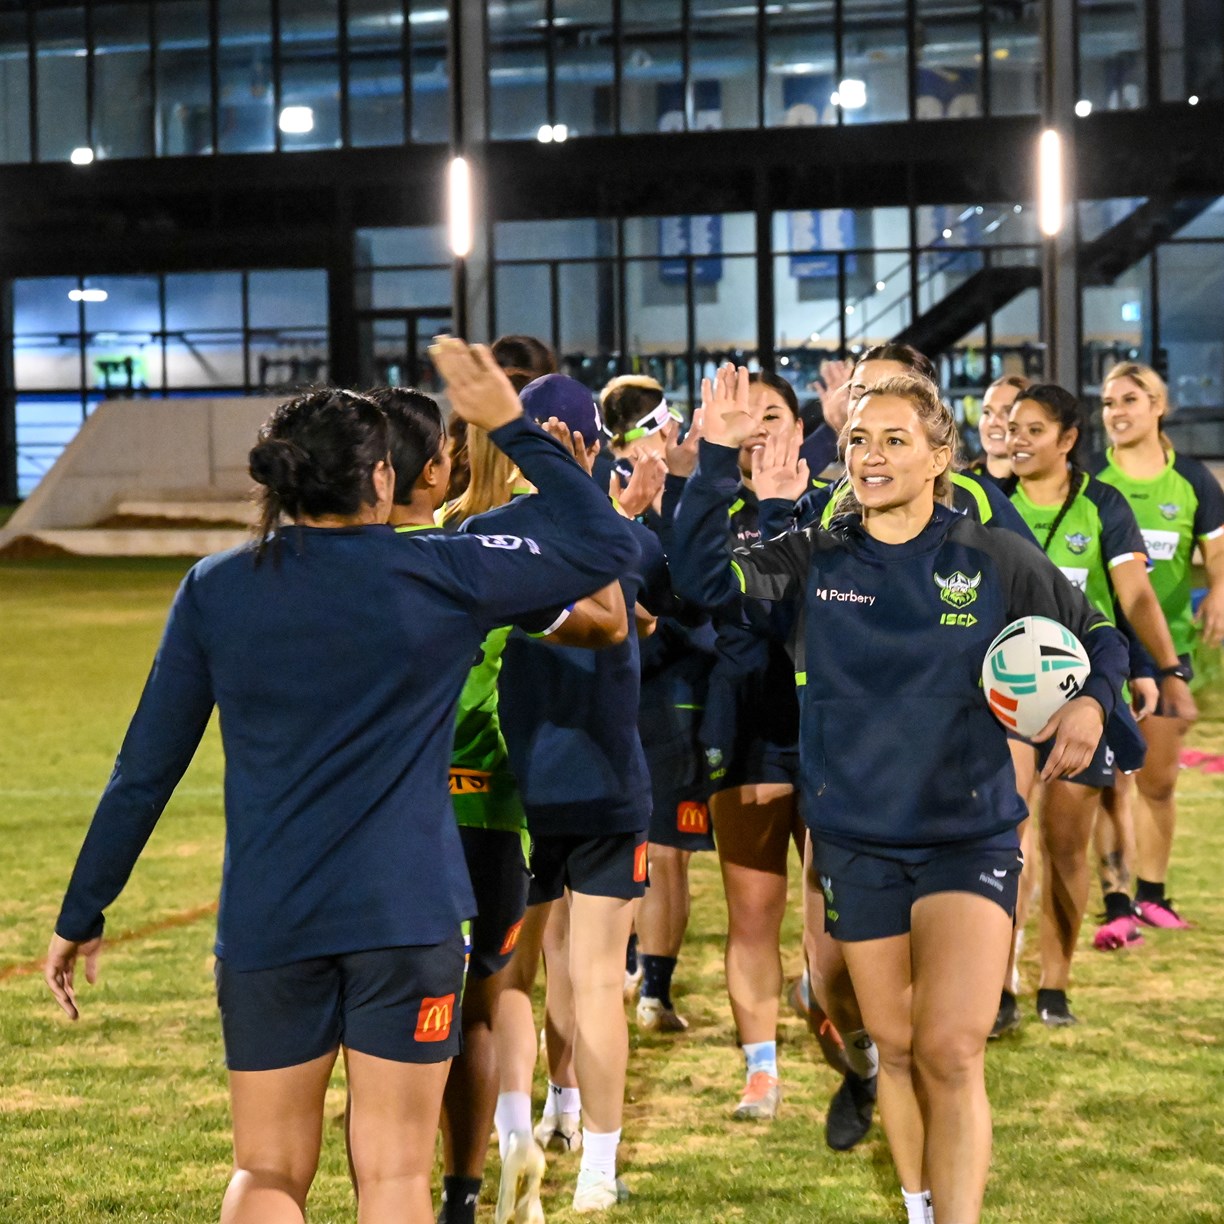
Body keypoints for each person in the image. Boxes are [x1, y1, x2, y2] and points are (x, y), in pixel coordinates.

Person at [43, 342, 639, 1224]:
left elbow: (144, 773)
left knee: (268, 1170)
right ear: (378, 480)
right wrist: (513, 427)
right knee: (395, 1177)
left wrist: (80, 913)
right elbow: (607, 542)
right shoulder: (441, 574)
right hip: (406, 915)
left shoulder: (214, 588)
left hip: (270, 917)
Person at [672, 364, 1127, 1224]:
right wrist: (712, 461)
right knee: (900, 1049)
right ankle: (919, 1207)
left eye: (894, 440)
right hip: (856, 841)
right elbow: (704, 582)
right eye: (857, 440)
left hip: (968, 834)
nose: (872, 456)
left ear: (938, 454)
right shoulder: (812, 556)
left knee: (952, 1049)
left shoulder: (993, 557)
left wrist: (1094, 705)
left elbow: (1097, 632)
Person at [480, 374, 672, 1213]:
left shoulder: (481, 537)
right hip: (607, 784)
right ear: (592, 444)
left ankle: (521, 1124)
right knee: (594, 980)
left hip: (509, 790)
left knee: (507, 976)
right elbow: (679, 615)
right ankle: (596, 1168)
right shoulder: (629, 542)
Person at [1003, 383, 1190, 1025]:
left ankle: (1054, 985)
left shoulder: (1101, 504)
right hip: (998, 701)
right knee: (999, 844)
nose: (1017, 440)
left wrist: (1161, 667)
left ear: (1067, 438)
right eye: (1009, 427)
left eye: (1032, 429)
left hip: (1082, 697)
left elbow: (1133, 595)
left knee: (1064, 842)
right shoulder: (987, 497)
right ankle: (998, 985)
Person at [600, 373, 717, 1034]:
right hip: (665, 692)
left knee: (627, 842)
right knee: (665, 846)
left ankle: (630, 974)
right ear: (652, 430)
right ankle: (653, 990)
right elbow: (693, 598)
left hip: (617, 690)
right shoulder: (646, 497)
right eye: (668, 422)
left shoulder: (594, 488)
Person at [1092, 361, 1224, 927]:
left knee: (1159, 780)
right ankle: (1115, 899)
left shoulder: (1192, 480)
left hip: (1168, 651)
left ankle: (1153, 893)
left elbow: (1216, 550)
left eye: (1129, 399)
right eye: (1107, 403)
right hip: (1102, 649)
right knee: (1106, 783)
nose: (1116, 412)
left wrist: (1218, 589)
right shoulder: (1092, 482)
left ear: (1158, 406)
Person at [970, 375, 1030, 484]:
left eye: (1007, 411)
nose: (993, 422)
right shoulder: (959, 484)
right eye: (987, 412)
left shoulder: (1040, 490)